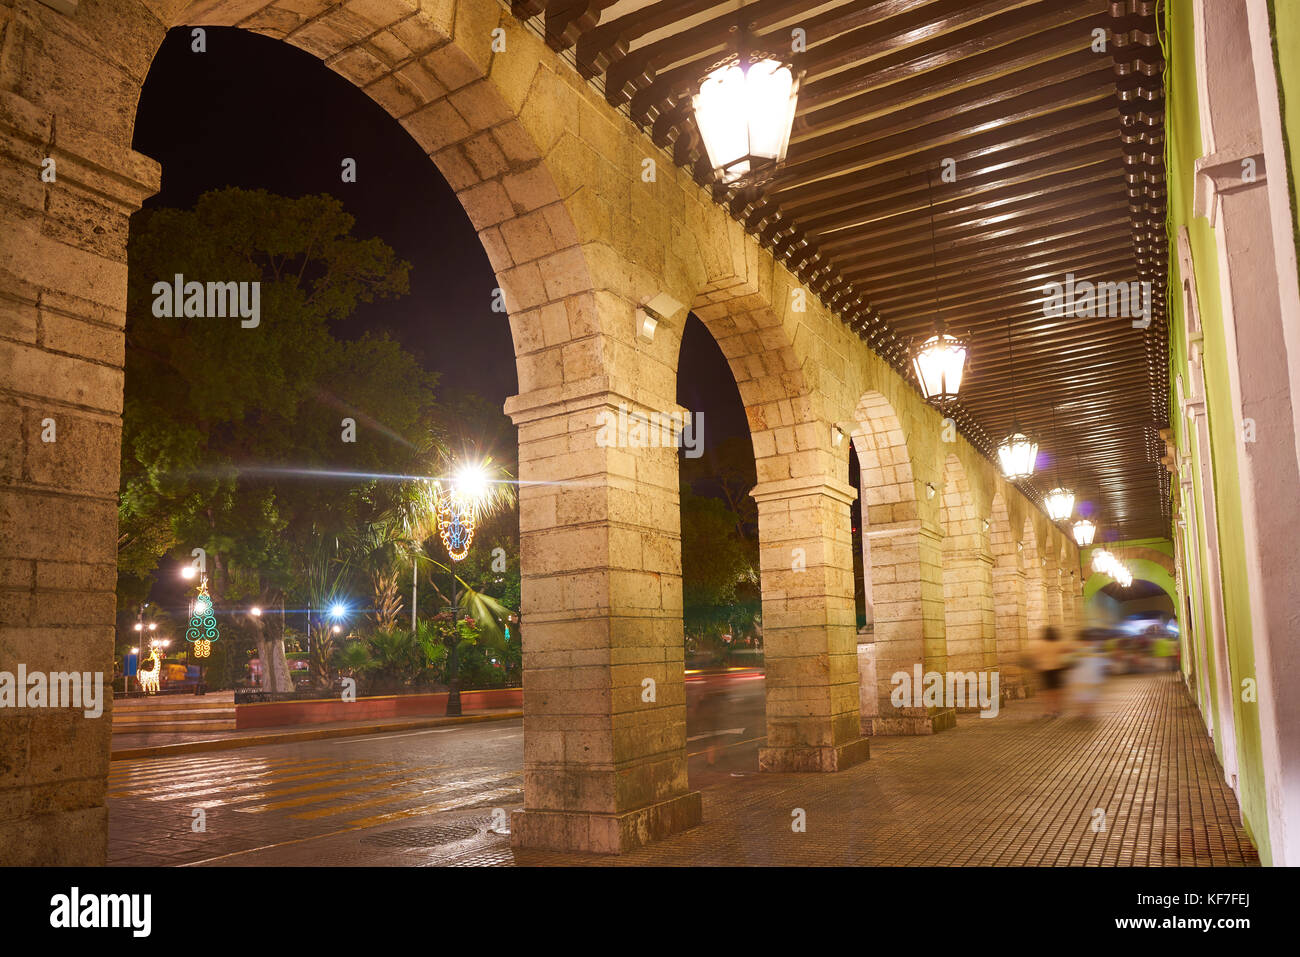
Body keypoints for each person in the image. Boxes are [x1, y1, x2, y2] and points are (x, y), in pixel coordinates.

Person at [1030, 625, 1076, 718]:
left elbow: (1034, 655)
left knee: (1046, 691)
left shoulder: (1039, 644)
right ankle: (1056, 709)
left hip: (1044, 670)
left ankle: (1047, 710)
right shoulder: (1058, 643)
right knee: (1057, 691)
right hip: (1056, 669)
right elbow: (1071, 649)